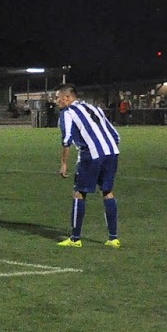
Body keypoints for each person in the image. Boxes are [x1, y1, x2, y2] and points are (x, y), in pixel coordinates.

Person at [54, 84, 121, 247]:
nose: (56, 101)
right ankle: (113, 238)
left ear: (68, 98)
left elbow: (66, 140)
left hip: (91, 154)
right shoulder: (94, 108)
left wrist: (64, 164)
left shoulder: (67, 112)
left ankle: (75, 239)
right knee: (107, 191)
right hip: (112, 151)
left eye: (58, 98)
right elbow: (115, 134)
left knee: (79, 193)